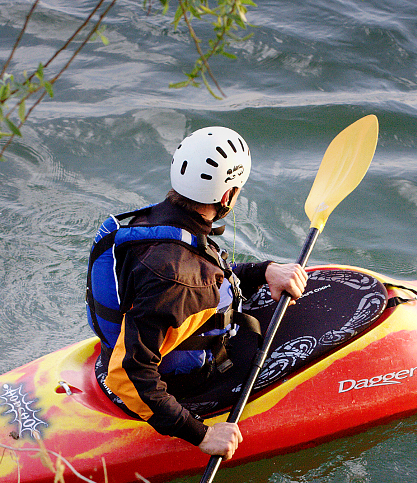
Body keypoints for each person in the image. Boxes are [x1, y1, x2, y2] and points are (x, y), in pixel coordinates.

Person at [86, 126, 307, 461]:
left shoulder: (146, 223)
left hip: (113, 353)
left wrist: (263, 271)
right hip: (168, 386)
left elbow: (202, 277)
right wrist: (200, 434)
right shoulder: (180, 279)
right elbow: (127, 374)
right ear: (227, 196)